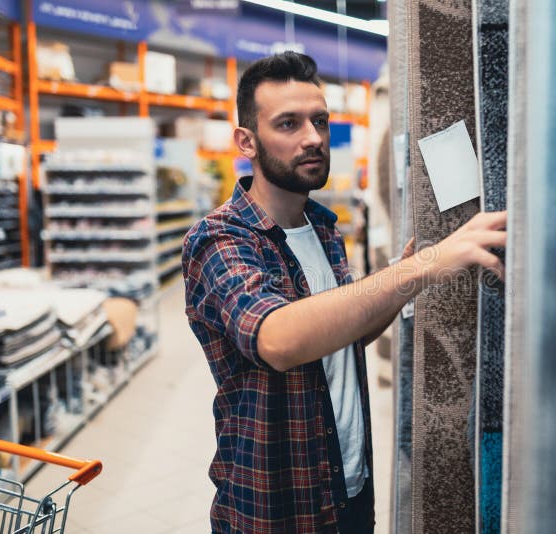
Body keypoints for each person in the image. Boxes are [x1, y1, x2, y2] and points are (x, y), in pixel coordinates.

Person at [182, 51, 507, 534]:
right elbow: (279, 339)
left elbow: (346, 332)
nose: (313, 138)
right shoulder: (220, 239)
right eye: (288, 124)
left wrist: (395, 282)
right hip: (274, 509)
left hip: (345, 490)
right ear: (246, 141)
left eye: (319, 121)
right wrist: (424, 266)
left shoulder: (323, 228)